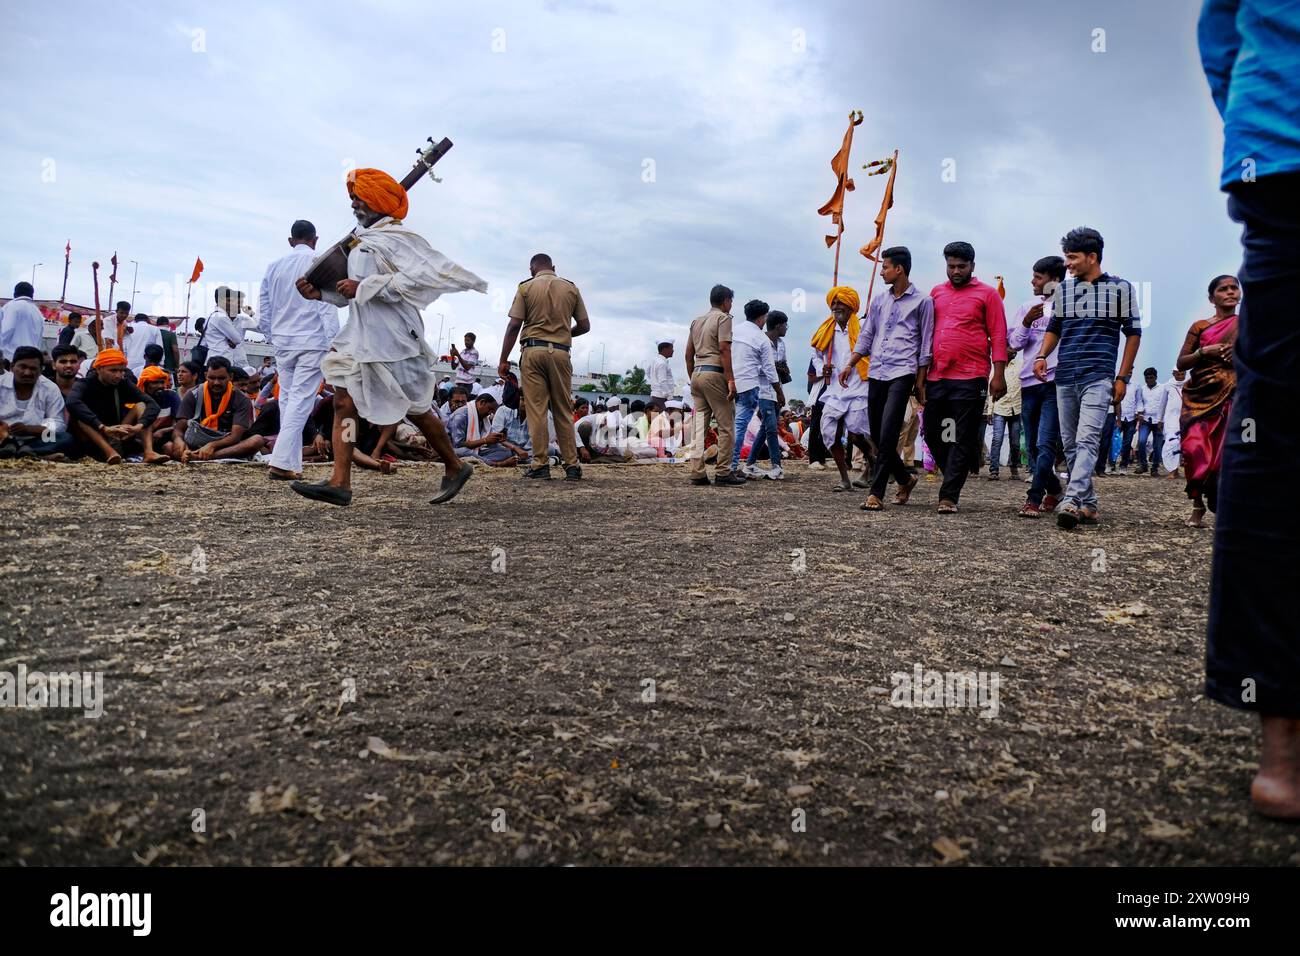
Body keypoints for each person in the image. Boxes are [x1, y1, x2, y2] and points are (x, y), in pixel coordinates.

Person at [1200, 0, 1300, 819]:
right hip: (1280, 147)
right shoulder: (1205, 324)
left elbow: (1221, 36)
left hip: (1280, 140)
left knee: (1277, 446)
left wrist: (1260, 114)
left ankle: (1284, 751)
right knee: (1270, 447)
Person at [292, 165, 485, 506]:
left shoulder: (400, 242)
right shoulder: (359, 241)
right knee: (343, 402)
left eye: (359, 198)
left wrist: (364, 286)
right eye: (352, 199)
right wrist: (320, 294)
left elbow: (418, 281)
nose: (354, 205)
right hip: (359, 337)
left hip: (395, 340)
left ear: (377, 200)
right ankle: (340, 481)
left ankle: (455, 465)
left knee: (417, 409)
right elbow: (347, 292)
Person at [1032, 226, 1142, 529]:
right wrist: (1042, 355)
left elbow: (1133, 334)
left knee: (1087, 439)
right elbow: (1055, 326)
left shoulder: (1121, 288)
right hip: (1065, 375)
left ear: (1092, 257)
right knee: (1069, 444)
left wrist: (1123, 376)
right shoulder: (1065, 290)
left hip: (1099, 375)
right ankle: (1090, 506)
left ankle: (1071, 499)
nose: (1067, 264)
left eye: (1072, 257)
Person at [841, 246, 933, 510]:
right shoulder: (879, 301)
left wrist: (920, 380)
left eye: (885, 267)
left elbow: (926, 344)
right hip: (877, 371)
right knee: (878, 434)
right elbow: (867, 335)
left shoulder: (923, 302)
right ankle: (905, 478)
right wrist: (850, 363)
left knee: (890, 431)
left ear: (899, 269)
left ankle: (876, 493)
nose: (882, 271)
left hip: (903, 371)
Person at [922, 242, 1008, 513]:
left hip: (972, 376)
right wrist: (920, 376)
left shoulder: (988, 295)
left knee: (962, 435)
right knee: (933, 432)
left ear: (972, 266)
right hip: (937, 374)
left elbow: (999, 335)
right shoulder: (936, 293)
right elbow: (925, 333)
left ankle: (948, 496)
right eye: (951, 266)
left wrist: (999, 374)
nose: (956, 271)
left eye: (962, 266)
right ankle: (954, 472)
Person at [257, 219, 342, 481]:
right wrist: (334, 341)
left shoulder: (274, 267)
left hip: (284, 340)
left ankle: (290, 462)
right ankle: (281, 461)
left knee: (287, 400)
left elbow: (264, 310)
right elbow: (326, 303)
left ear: (291, 241)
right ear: (315, 240)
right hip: (312, 340)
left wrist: (273, 336)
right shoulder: (319, 262)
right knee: (300, 400)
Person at [497, 253, 591, 480]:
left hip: (532, 351)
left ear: (532, 270)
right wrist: (563, 333)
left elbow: (513, 325)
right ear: (554, 267)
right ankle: (572, 466)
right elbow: (585, 326)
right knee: (563, 410)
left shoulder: (525, 288)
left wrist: (503, 359)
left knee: (536, 411)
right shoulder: (571, 288)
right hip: (561, 353)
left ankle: (539, 464)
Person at [1176, 274, 1239, 526]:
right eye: (1224, 289)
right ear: (1212, 298)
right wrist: (1204, 351)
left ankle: (1218, 501)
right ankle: (1198, 502)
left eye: (1235, 288)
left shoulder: (1249, 325)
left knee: (1225, 455)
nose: (1231, 292)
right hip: (1199, 396)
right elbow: (1181, 362)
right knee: (1193, 450)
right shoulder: (1200, 326)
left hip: (1234, 394)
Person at [1008, 256, 1065, 517]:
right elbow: (1015, 344)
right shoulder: (1027, 307)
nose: (1032, 281)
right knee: (1029, 445)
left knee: (1045, 445)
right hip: (1029, 382)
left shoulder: (1069, 306)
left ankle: (1033, 498)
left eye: (1038, 277)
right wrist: (1027, 322)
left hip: (1054, 382)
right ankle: (1054, 488)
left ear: (1054, 280)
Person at [814, 286, 874, 492]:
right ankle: (844, 479)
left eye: (841, 303)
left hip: (860, 386)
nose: (836, 307)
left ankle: (872, 462)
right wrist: (822, 367)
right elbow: (816, 354)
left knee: (857, 433)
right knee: (829, 432)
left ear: (851, 307)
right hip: (835, 390)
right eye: (834, 303)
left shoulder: (864, 326)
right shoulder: (827, 330)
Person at [685, 284, 744, 486]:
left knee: (698, 427)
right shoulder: (723, 318)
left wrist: (693, 376)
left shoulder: (697, 321)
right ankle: (723, 471)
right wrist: (731, 380)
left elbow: (688, 354)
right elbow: (724, 349)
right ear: (725, 300)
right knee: (726, 426)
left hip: (697, 374)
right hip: (714, 373)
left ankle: (697, 472)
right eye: (730, 301)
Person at [65, 348, 167, 464]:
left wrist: (139, 426)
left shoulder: (124, 383)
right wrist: (102, 427)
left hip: (117, 433)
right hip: (93, 434)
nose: (118, 375)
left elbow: (152, 404)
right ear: (99, 369)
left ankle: (149, 452)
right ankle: (110, 453)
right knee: (79, 416)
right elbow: (72, 402)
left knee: (141, 406)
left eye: (121, 371)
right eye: (113, 371)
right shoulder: (84, 384)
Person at [168, 357, 264, 462]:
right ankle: (197, 454)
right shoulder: (192, 394)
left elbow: (235, 436)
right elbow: (179, 428)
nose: (216, 383)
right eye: (212, 378)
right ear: (205, 376)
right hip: (194, 443)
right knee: (168, 447)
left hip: (225, 446)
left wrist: (212, 445)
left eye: (221, 378)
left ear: (230, 377)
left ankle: (201, 457)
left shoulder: (241, 399)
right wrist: (178, 441)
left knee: (257, 441)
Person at [730, 299, 782, 477]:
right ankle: (731, 467)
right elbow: (770, 370)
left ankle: (728, 465)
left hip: (729, 382)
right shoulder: (761, 338)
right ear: (763, 317)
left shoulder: (734, 330)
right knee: (740, 426)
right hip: (749, 385)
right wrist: (780, 392)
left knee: (728, 426)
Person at [0, 346, 74, 459]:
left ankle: (26, 451)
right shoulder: (1, 384)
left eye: (33, 368)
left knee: (66, 438)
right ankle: (29, 454)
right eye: (23, 367)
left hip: (35, 439)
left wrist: (30, 429)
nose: (27, 372)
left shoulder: (50, 388)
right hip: (3, 437)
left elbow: (59, 423)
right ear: (12, 367)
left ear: (41, 370)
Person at [743, 310, 791, 479]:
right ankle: (776, 465)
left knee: (764, 429)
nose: (787, 328)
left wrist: (779, 368)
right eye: (785, 324)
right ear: (778, 325)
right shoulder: (761, 342)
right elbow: (757, 367)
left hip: (777, 392)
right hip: (763, 390)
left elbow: (782, 365)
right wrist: (774, 367)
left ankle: (749, 464)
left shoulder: (782, 344)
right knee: (771, 428)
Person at [986, 351, 1023, 481]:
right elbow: (992, 391)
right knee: (997, 440)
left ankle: (1014, 468)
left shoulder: (1020, 365)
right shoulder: (996, 368)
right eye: (1009, 347)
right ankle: (994, 470)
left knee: (1015, 443)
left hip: (1016, 409)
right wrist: (989, 411)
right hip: (1000, 408)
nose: (1013, 350)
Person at [203, 288, 251, 368]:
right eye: (229, 300)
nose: (232, 304)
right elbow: (237, 339)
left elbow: (263, 327)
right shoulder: (221, 316)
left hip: (220, 361)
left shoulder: (212, 316)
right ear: (221, 301)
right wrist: (232, 340)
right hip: (220, 362)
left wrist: (251, 313)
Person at [1133, 367, 1168, 476]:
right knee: (1142, 442)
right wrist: (1139, 413)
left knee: (1157, 446)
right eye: (1147, 378)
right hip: (1145, 420)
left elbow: (1165, 404)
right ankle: (1143, 465)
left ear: (1156, 377)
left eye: (1151, 378)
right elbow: (1138, 402)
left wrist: (1162, 419)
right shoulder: (1142, 389)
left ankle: (1155, 468)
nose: (1149, 380)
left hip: (1158, 421)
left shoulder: (1162, 388)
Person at [0, 282, 44, 365]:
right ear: (32, 295)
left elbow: (5, 332)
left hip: (11, 360)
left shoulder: (12, 306)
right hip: (31, 360)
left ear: (14, 294)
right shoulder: (37, 312)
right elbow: (39, 339)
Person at [648, 339, 675, 411]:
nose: (673, 350)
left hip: (655, 395)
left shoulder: (655, 360)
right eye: (671, 348)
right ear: (665, 349)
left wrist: (655, 381)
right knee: (663, 420)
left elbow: (648, 372)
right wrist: (669, 397)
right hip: (661, 398)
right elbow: (663, 381)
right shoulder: (662, 363)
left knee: (654, 419)